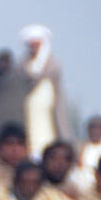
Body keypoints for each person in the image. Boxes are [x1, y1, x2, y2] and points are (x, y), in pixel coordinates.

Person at [19, 24, 71, 157]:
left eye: (36, 44)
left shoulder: (53, 65)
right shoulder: (22, 65)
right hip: (28, 117)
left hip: (48, 120)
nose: (34, 48)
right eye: (31, 45)